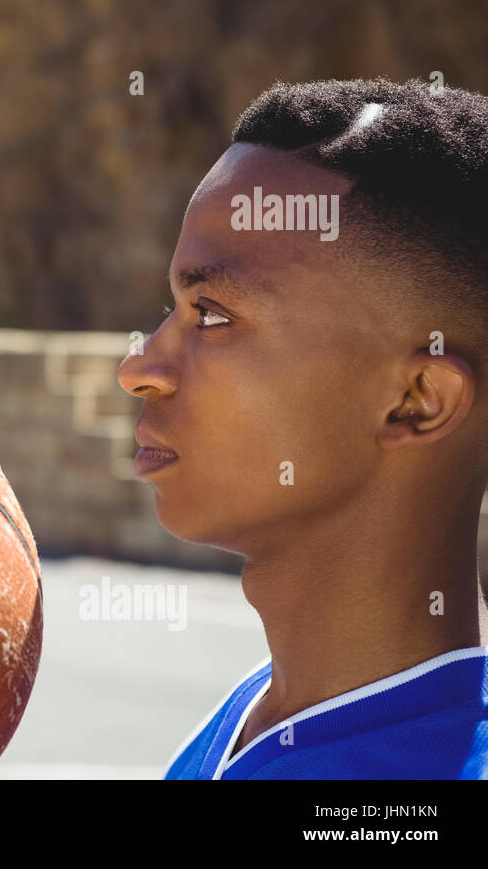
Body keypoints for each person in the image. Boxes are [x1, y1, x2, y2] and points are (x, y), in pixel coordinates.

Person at [118, 78, 488, 779]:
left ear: (417, 400)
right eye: (174, 307)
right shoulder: (263, 708)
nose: (139, 366)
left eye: (214, 314)